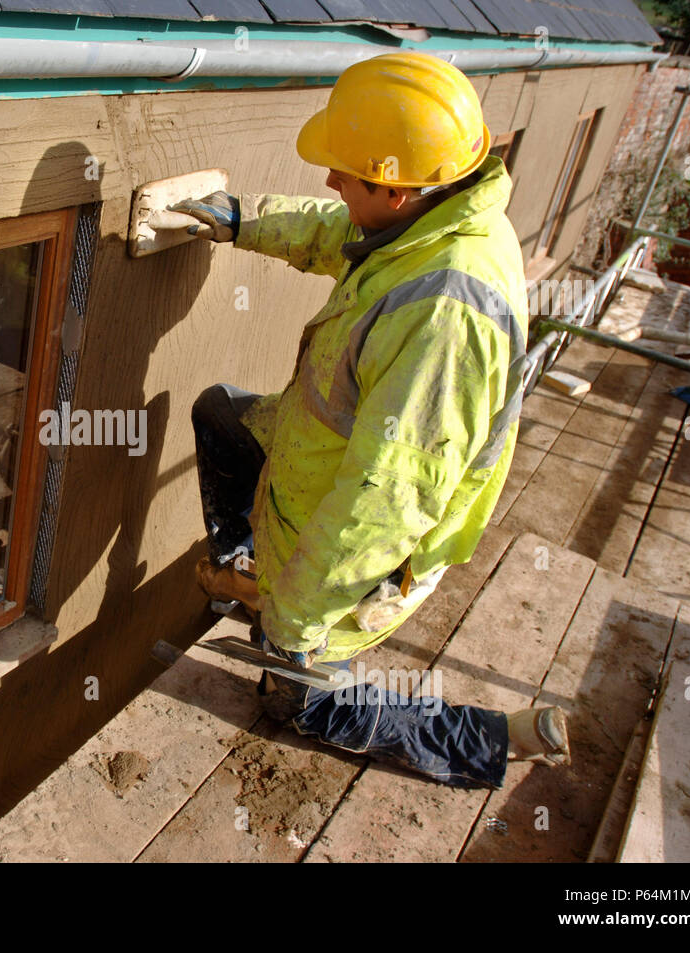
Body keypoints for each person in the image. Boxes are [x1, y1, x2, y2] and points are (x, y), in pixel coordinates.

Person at [173, 51, 568, 789]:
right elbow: (341, 232)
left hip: (369, 551)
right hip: (320, 471)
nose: (328, 179)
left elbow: (382, 507)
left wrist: (297, 617)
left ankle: (495, 738)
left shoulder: (447, 317)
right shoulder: (436, 219)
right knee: (220, 414)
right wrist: (242, 219)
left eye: (344, 172)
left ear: (396, 187)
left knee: (303, 704)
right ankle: (256, 574)